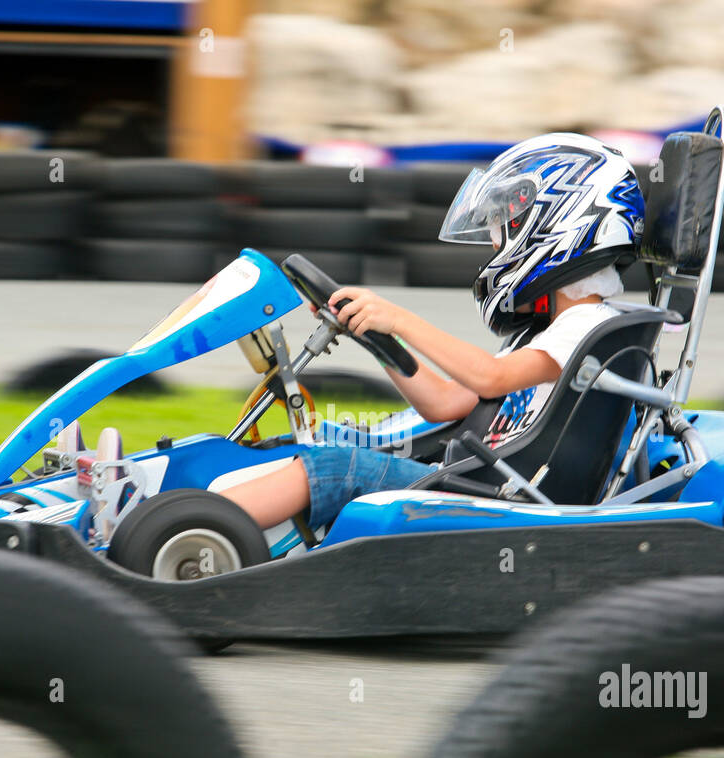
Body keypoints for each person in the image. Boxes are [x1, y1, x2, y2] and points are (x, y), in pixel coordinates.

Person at [222, 133, 645, 530]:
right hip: (477, 483)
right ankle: (198, 520)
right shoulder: (545, 334)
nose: (496, 247)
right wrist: (374, 337)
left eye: (505, 229)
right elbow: (443, 404)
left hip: (501, 504)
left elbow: (490, 378)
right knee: (319, 443)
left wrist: (399, 319)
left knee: (338, 467)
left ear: (562, 224)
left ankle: (199, 529)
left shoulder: (591, 326)